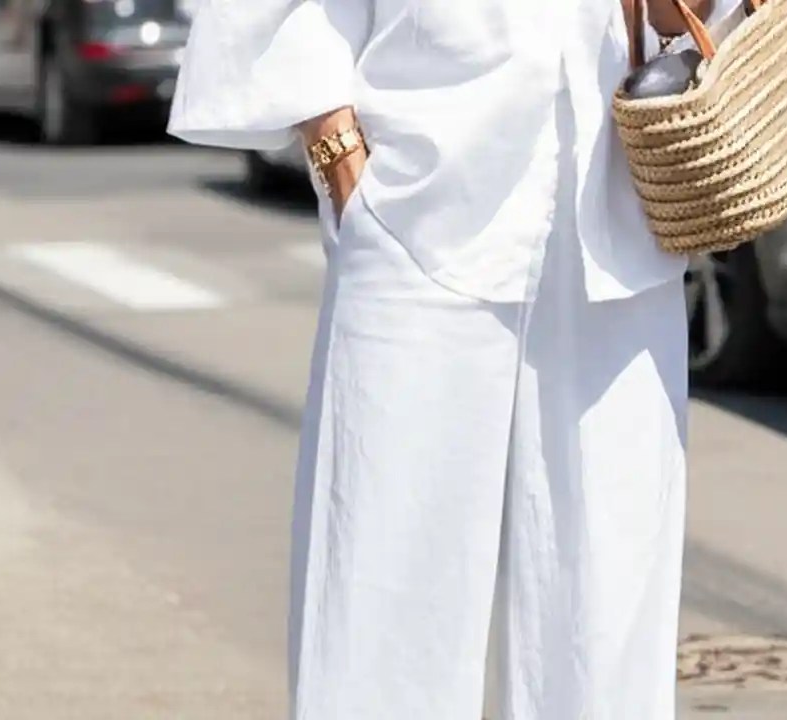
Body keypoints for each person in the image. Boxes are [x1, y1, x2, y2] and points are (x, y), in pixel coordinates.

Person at [167, 1, 738, 717]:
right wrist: (336, 154)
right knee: (384, 593)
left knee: (606, 600)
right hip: (418, 201)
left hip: (617, 210)